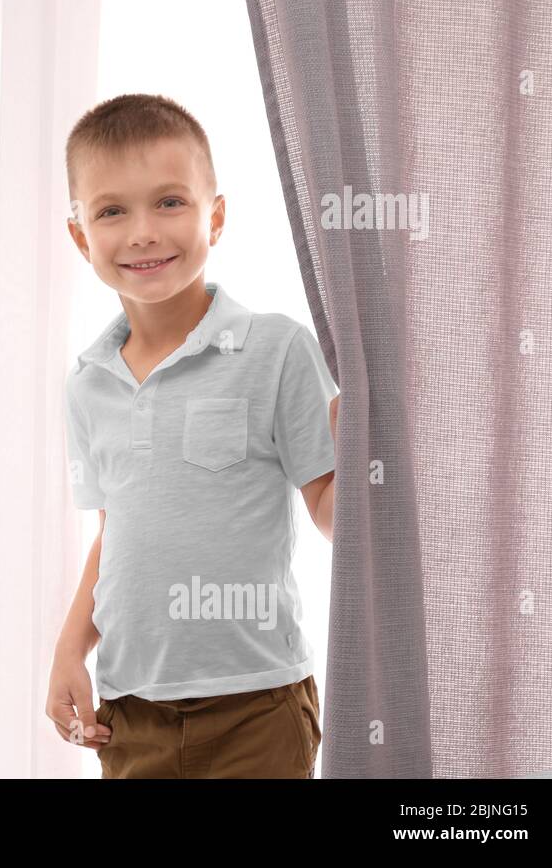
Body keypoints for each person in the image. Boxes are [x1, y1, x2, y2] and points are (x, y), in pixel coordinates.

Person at [49, 94, 339, 778]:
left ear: (216, 215)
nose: (143, 231)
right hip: (131, 713)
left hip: (257, 708)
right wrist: (69, 650)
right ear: (82, 236)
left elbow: (330, 510)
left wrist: (369, 454)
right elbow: (115, 532)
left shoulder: (277, 349)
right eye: (113, 210)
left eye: (170, 202)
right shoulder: (88, 382)